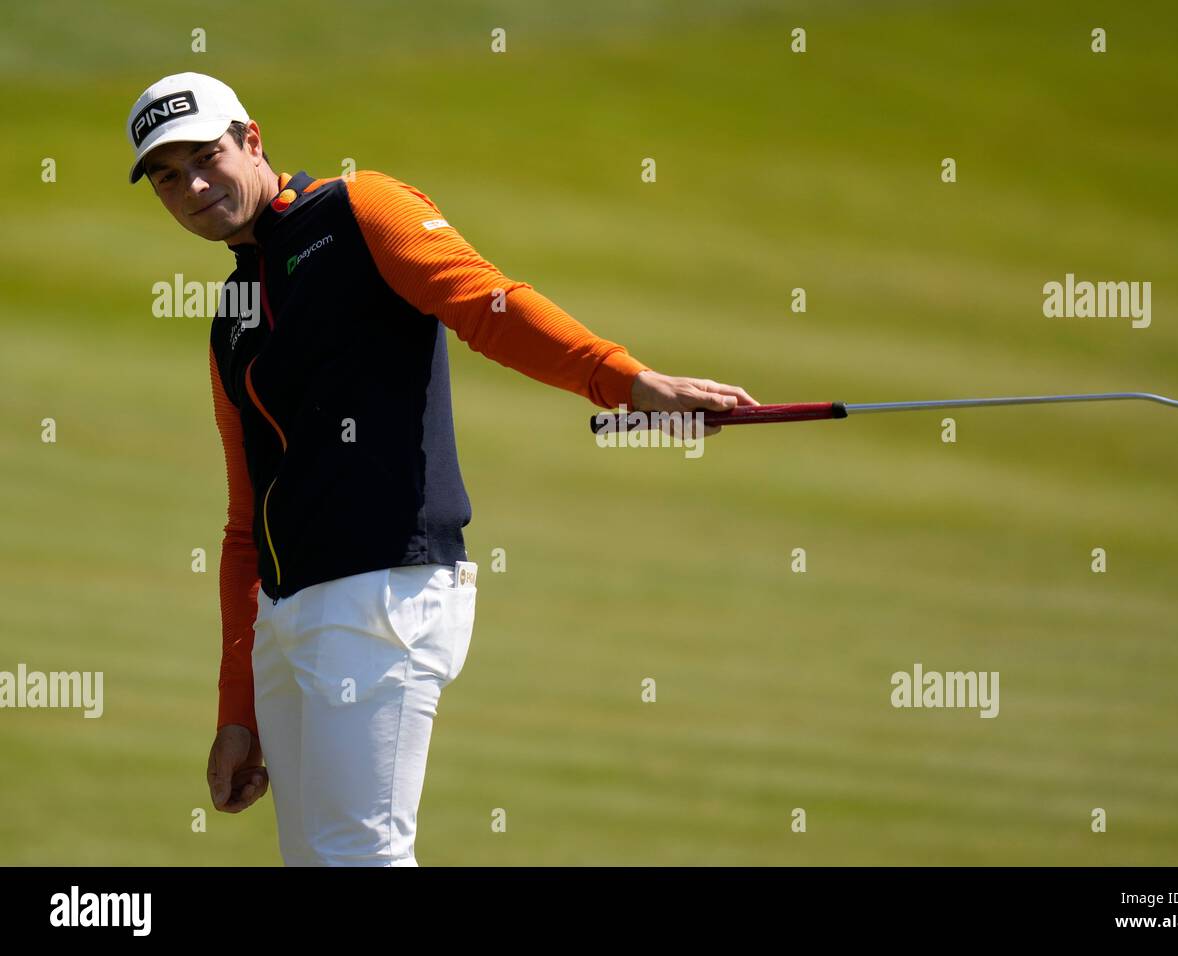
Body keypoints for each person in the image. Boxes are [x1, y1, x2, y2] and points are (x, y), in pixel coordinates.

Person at [126, 72, 758, 865]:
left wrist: (631, 384)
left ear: (252, 140)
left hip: (382, 591)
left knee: (362, 855)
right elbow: (244, 525)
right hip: (288, 623)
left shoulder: (360, 210)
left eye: (204, 157)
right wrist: (237, 708)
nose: (192, 186)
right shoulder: (232, 317)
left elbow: (488, 305)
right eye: (167, 176)